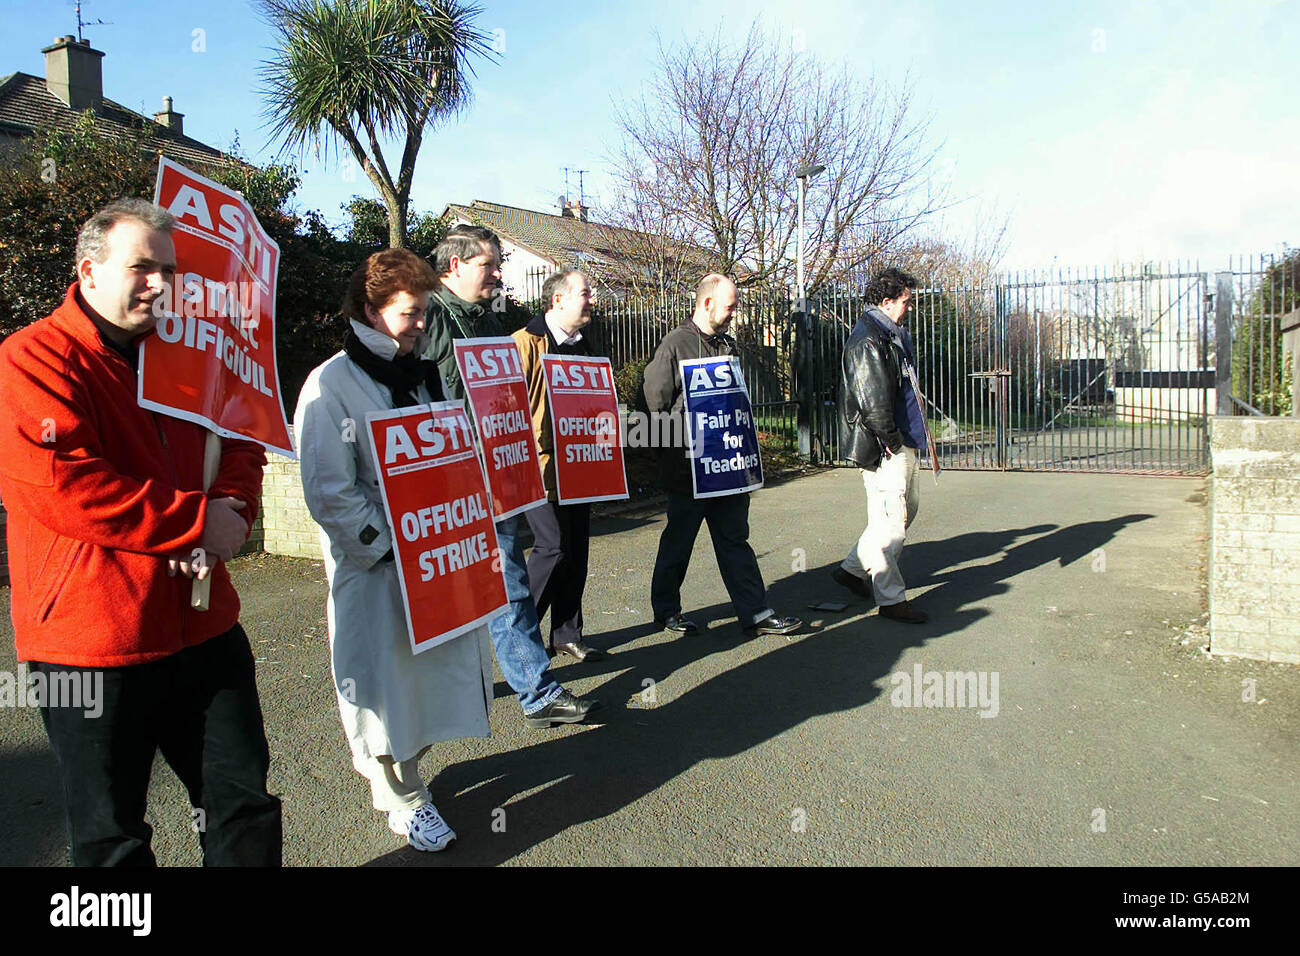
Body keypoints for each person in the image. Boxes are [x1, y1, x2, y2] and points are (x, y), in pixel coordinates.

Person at [0, 198, 281, 866]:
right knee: (111, 837)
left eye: (170, 270)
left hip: (204, 625)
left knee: (242, 804)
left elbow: (240, 436)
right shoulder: (30, 358)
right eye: (142, 267)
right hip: (94, 642)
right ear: (88, 271)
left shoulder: (191, 352)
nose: (161, 284)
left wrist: (234, 512)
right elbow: (63, 485)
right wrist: (192, 522)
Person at [295, 249, 491, 851]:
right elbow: (330, 493)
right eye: (409, 313)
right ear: (370, 312)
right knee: (388, 693)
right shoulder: (331, 385)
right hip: (380, 574)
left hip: (433, 568)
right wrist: (387, 551)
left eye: (426, 311)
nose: (421, 324)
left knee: (432, 687)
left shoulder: (421, 372)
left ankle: (409, 779)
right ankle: (403, 798)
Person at [424, 225, 598, 726]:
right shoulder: (429, 317)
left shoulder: (487, 325)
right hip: (443, 480)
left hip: (489, 476)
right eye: (489, 264)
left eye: (499, 263)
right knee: (451, 594)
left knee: (507, 582)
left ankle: (537, 692)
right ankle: (432, 699)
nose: (500, 273)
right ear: (454, 265)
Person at [643, 274, 802, 637]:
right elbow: (655, 404)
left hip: (726, 470)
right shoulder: (674, 345)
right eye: (730, 306)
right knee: (679, 542)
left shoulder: (726, 345)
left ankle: (757, 614)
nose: (734, 313)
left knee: (734, 539)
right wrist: (680, 451)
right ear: (707, 303)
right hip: (689, 470)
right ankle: (666, 611)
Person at [513, 268, 603, 663]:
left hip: (579, 467)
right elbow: (505, 409)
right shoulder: (524, 343)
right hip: (538, 467)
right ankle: (518, 637)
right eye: (586, 293)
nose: (593, 299)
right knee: (552, 548)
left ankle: (567, 634)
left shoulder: (585, 345)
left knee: (577, 553)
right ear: (559, 300)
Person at [834, 266, 933, 623]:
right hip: (886, 446)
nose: (909, 307)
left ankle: (850, 570)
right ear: (887, 301)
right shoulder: (868, 339)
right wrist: (891, 441)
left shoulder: (892, 334)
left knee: (902, 512)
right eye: (905, 301)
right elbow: (872, 402)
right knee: (892, 523)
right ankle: (891, 600)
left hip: (901, 440)